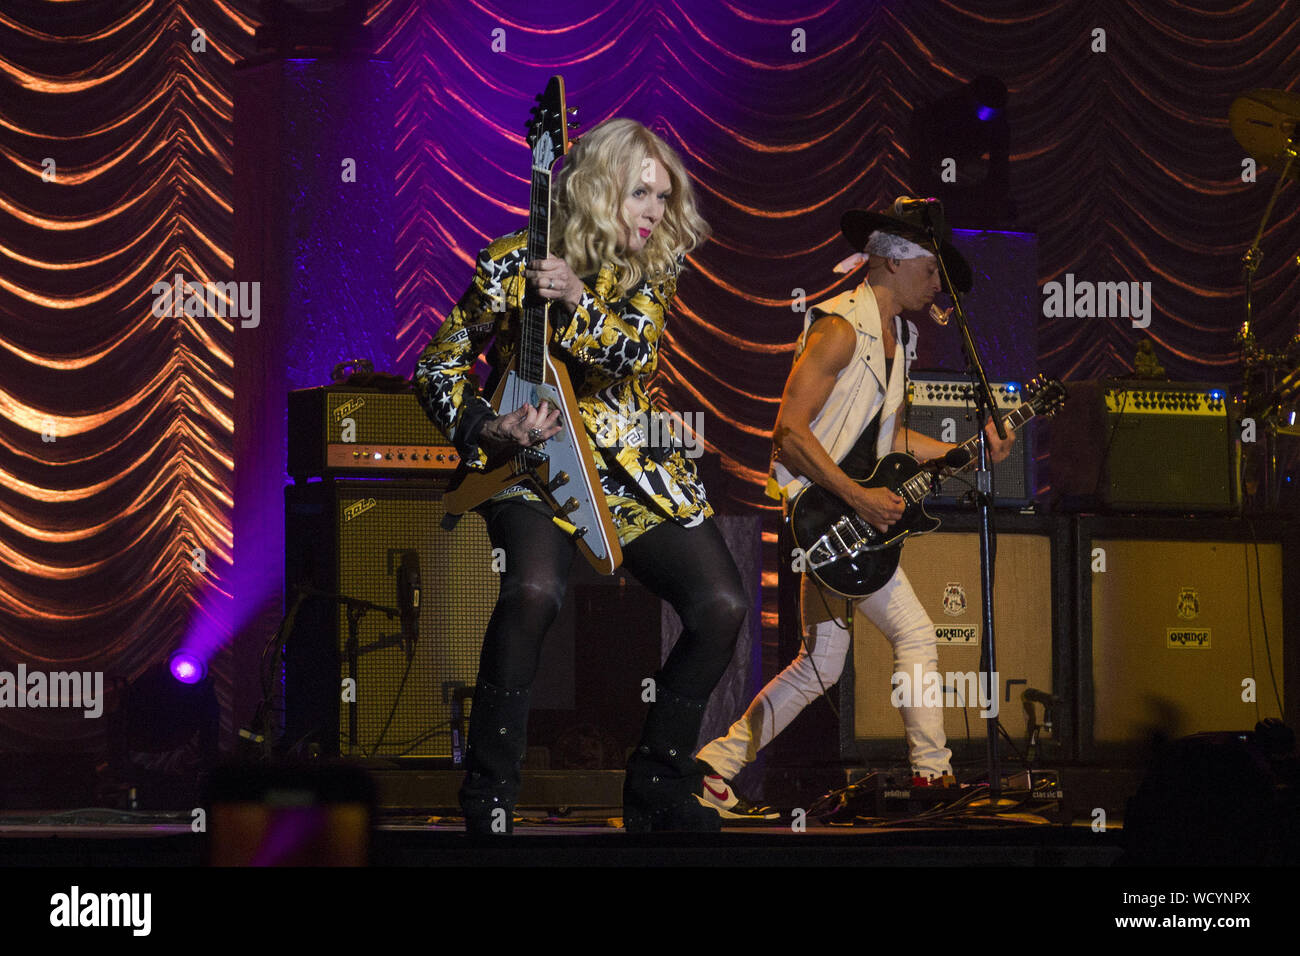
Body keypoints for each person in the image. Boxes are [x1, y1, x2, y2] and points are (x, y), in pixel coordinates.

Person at [413, 118, 747, 834]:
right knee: (533, 588)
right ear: (597, 191)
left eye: (664, 195)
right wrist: (485, 426)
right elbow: (436, 365)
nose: (656, 211)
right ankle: (490, 792)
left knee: (722, 604)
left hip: (628, 469)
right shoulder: (507, 263)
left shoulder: (653, 266)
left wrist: (575, 297)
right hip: (528, 465)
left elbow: (633, 354)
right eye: (640, 193)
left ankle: (658, 781)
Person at [694, 202, 1015, 819]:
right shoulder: (840, 327)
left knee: (820, 665)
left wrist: (964, 451)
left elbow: (892, 446)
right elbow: (788, 432)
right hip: (824, 514)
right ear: (892, 260)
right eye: (929, 266)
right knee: (916, 632)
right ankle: (932, 775)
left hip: (844, 517)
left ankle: (713, 766)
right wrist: (858, 495)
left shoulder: (901, 338)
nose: (937, 279)